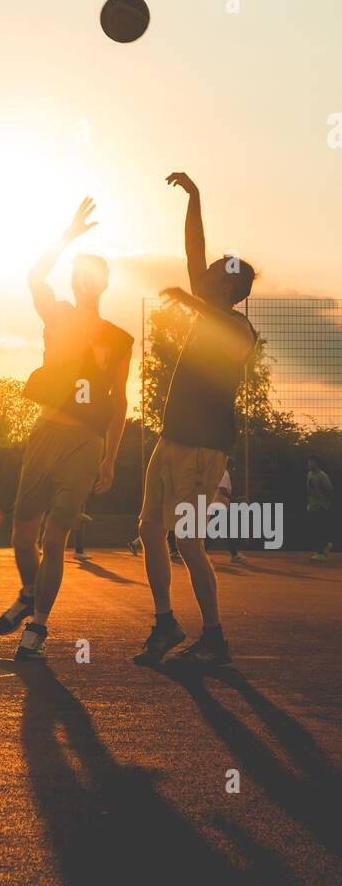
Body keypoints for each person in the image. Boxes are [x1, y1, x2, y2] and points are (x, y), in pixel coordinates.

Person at [0, 197, 133, 659]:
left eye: (91, 275)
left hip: (85, 443)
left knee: (56, 539)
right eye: (77, 273)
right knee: (21, 534)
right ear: (73, 280)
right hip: (46, 432)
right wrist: (67, 236)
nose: (83, 281)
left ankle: (39, 623)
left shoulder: (118, 339)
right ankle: (28, 592)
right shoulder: (58, 314)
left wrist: (110, 456)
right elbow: (34, 276)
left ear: (104, 283)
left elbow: (120, 401)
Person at [134, 173, 257, 668]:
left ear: (228, 284)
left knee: (188, 540)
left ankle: (215, 638)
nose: (199, 270)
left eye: (211, 271)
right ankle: (166, 622)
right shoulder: (209, 306)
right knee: (150, 531)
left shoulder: (238, 327)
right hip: (172, 442)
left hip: (204, 449)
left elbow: (224, 329)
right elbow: (194, 247)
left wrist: (188, 303)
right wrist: (195, 198)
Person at [306, 455, 334, 560]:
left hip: (321, 507)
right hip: (311, 506)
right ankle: (325, 545)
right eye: (308, 463)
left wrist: (325, 504)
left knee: (318, 530)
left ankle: (320, 553)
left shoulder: (323, 476)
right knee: (313, 530)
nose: (309, 465)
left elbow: (329, 490)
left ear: (316, 463)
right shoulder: (309, 474)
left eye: (311, 463)